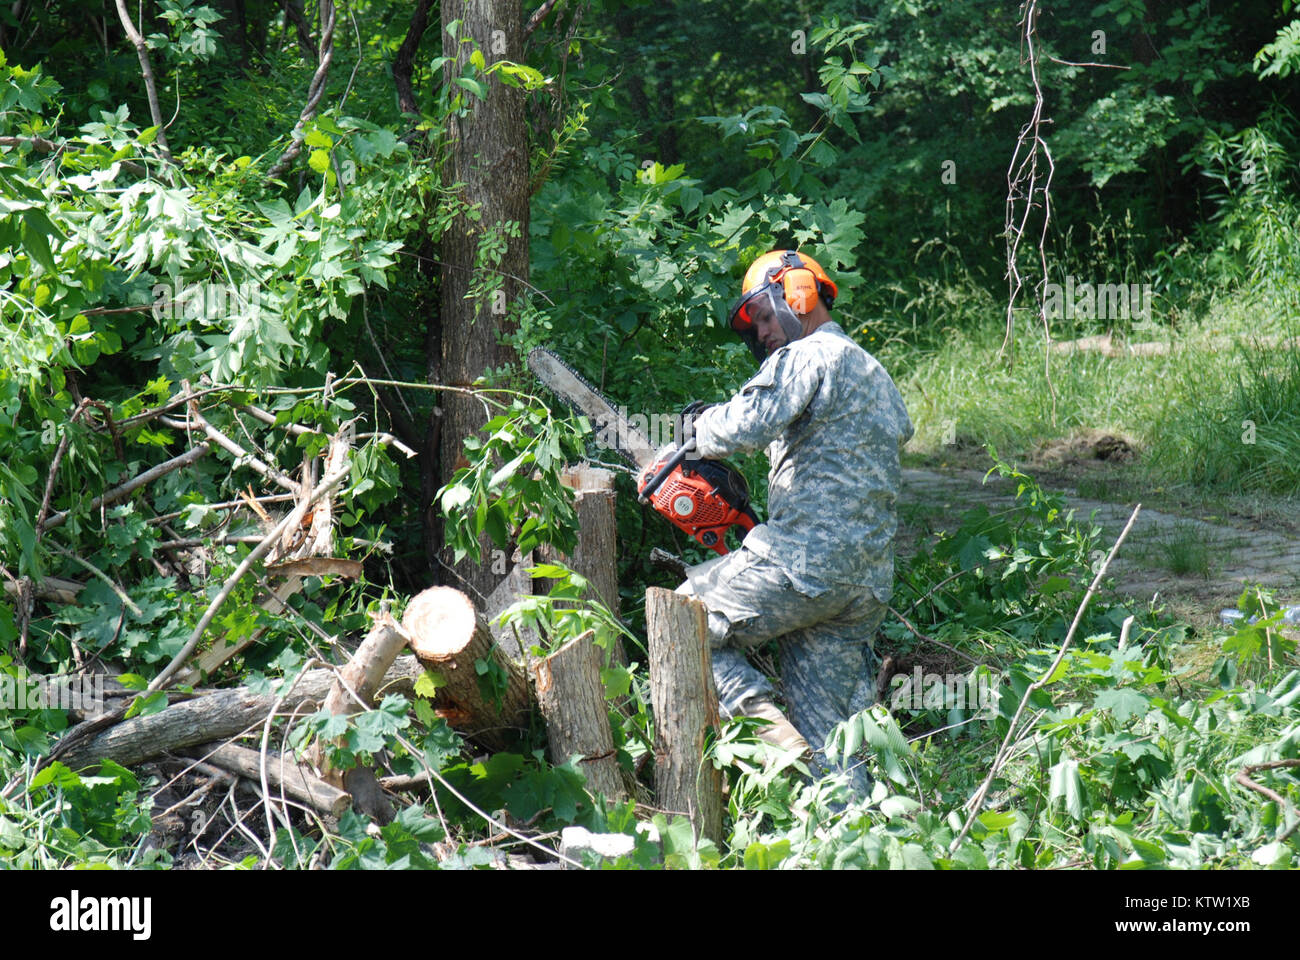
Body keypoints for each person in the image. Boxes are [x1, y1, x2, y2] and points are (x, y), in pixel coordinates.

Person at [675, 249, 913, 789]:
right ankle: (853, 834)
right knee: (835, 738)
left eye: (762, 314)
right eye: (753, 324)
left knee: (683, 619)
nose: (760, 332)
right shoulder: (873, 371)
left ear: (799, 292)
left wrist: (694, 427)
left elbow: (745, 424)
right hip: (864, 584)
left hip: (805, 565)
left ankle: (770, 734)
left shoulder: (811, 356)